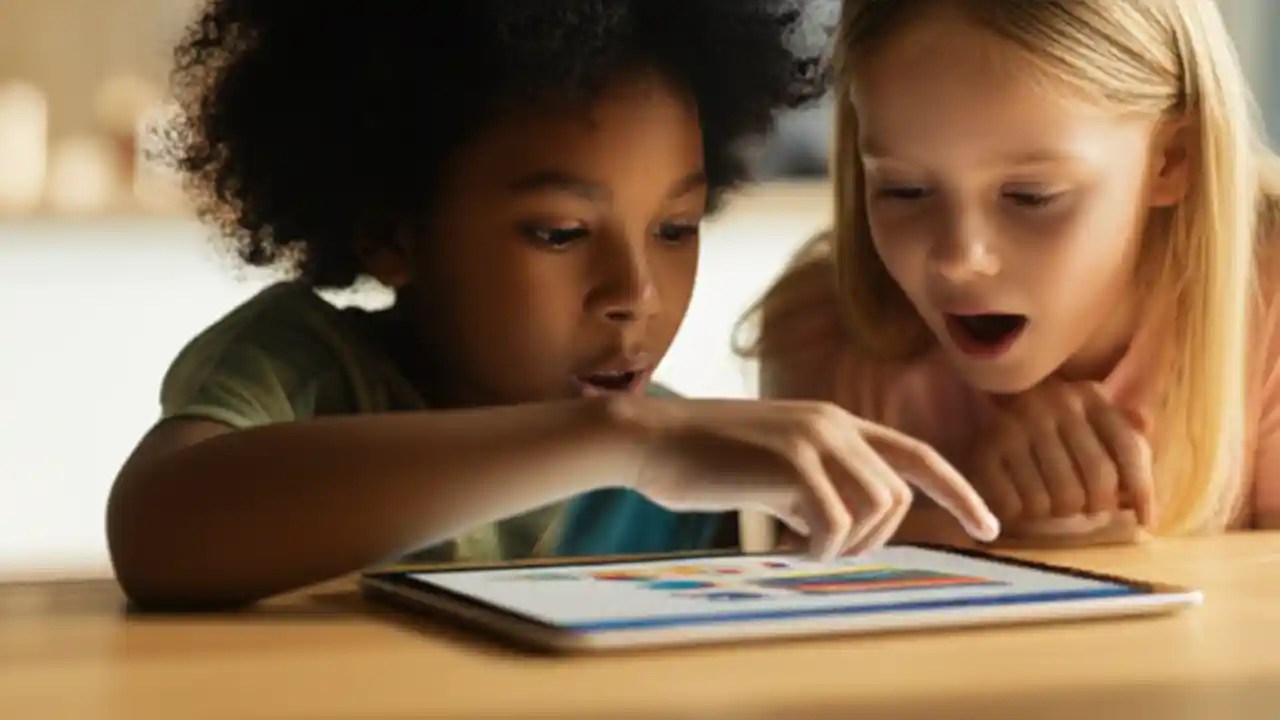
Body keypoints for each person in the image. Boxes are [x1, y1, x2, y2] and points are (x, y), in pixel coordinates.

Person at [106, 0, 998, 609]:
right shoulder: (301, 366)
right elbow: (160, 534)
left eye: (676, 229)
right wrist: (620, 442)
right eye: (562, 233)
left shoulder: (686, 470)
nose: (635, 295)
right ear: (389, 229)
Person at [745, 0, 1280, 548]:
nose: (960, 258)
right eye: (905, 191)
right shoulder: (827, 335)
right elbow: (794, 572)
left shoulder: (1270, 305)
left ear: (1172, 159)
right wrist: (990, 522)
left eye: (1031, 196)